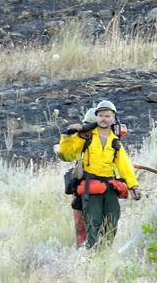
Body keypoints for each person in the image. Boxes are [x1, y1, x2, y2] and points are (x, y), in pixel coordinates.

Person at [59, 100, 140, 249]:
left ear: (113, 118)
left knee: (112, 221)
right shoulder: (85, 137)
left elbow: (124, 165)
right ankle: (91, 254)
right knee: (93, 223)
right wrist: (67, 136)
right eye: (101, 115)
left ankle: (105, 253)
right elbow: (66, 153)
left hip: (109, 187)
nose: (104, 119)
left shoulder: (114, 141)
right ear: (96, 117)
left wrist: (133, 186)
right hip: (91, 187)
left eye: (107, 116)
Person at [54, 106, 97, 247]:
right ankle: (82, 252)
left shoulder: (110, 141)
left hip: (103, 187)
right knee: (80, 224)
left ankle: (99, 250)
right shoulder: (79, 141)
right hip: (82, 187)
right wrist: (67, 136)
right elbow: (66, 155)